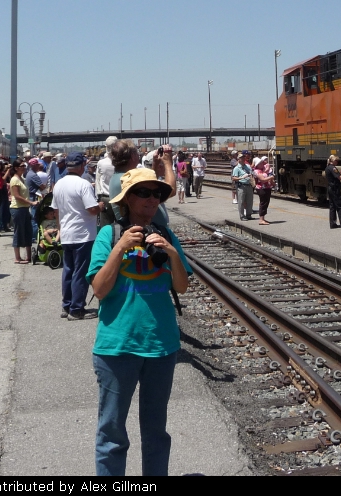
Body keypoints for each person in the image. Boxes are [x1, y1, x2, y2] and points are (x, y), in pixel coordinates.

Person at [88, 167, 191, 476]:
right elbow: (99, 289)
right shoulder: (109, 235)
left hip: (161, 345)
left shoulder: (166, 235)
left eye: (156, 194)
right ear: (128, 199)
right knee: (112, 433)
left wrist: (172, 253)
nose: (151, 200)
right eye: (143, 193)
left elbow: (182, 285)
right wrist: (120, 248)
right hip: (117, 346)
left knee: (156, 431)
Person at [52, 154, 104, 320]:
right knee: (80, 272)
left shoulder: (59, 184)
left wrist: (60, 230)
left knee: (68, 271)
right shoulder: (83, 184)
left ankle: (66, 306)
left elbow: (55, 211)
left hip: (67, 233)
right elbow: (92, 209)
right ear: (82, 166)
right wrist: (101, 206)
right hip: (83, 234)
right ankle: (77, 309)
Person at [9, 159, 35, 264]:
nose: (24, 167)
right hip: (17, 208)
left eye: (24, 166)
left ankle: (29, 256)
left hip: (24, 208)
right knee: (19, 232)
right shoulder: (14, 180)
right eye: (21, 166)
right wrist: (30, 202)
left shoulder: (22, 179)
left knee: (28, 231)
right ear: (16, 168)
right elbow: (17, 196)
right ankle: (17, 257)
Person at [325, 155, 341, 229]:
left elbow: (336, 175)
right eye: (336, 161)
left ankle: (332, 224)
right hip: (335, 189)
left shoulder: (328, 168)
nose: (337, 162)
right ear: (332, 161)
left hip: (330, 188)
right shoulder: (333, 168)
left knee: (332, 206)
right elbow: (340, 177)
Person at [96, 136, 119, 205]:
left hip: (105, 198)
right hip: (119, 198)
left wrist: (98, 197)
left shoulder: (101, 163)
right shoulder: (124, 162)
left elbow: (97, 180)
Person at [232, 153, 254, 221]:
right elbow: (234, 178)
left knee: (250, 201)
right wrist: (241, 177)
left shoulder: (247, 166)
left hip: (249, 185)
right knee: (241, 201)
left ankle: (249, 214)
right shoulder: (236, 168)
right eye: (241, 158)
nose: (243, 159)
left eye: (244, 157)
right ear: (239, 159)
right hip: (241, 186)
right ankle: (242, 216)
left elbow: (251, 174)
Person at [253, 156, 275, 225]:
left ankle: (263, 218)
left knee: (266, 202)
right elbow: (262, 180)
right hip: (261, 188)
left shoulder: (263, 170)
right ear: (257, 165)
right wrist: (270, 177)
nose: (262, 164)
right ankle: (261, 219)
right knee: (263, 203)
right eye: (260, 163)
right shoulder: (257, 171)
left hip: (266, 188)